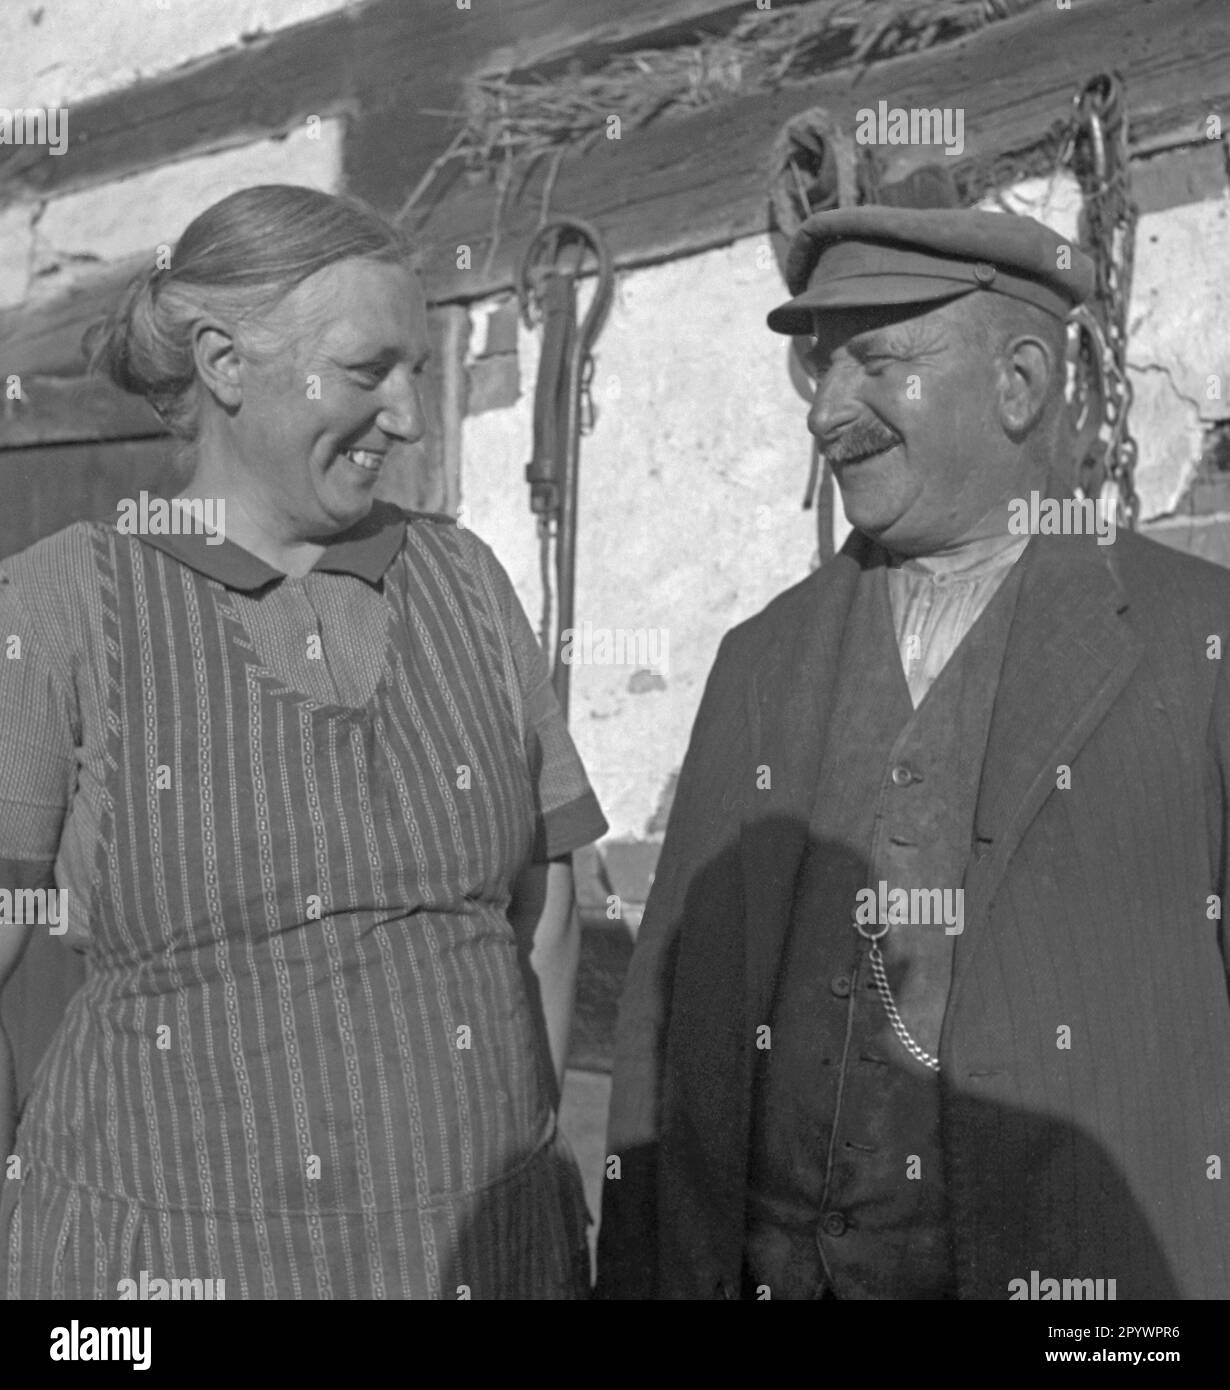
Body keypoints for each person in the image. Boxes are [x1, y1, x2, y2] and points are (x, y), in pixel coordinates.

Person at [597, 206, 1230, 1300]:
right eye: (818, 368)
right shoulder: (759, 662)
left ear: (1021, 382)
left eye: (877, 361)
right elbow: (664, 1038)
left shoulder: (1199, 647)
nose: (829, 413)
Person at [0, 183, 607, 1299]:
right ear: (228, 365)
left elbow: (546, 904)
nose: (411, 417)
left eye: (419, 371)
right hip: (161, 1265)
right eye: (371, 370)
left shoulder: (464, 580)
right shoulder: (59, 606)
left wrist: (507, 1171)